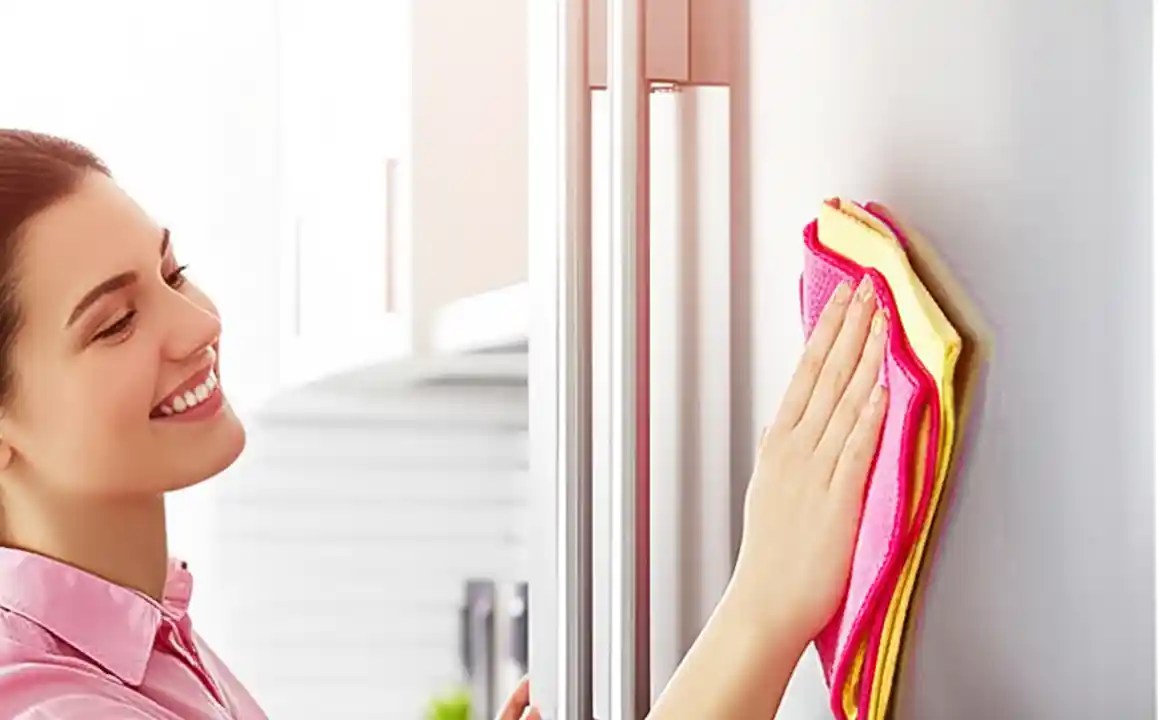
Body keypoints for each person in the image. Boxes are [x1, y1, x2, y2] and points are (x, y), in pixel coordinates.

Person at [0, 130, 887, 720]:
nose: (197, 325)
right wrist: (766, 604)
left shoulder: (150, 642)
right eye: (114, 323)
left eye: (173, 272)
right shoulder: (50, 703)